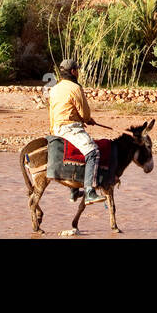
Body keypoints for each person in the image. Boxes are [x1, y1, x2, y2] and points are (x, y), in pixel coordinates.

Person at [48, 58, 108, 204]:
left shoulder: (54, 88)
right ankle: (89, 191)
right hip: (70, 128)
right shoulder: (75, 88)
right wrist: (87, 119)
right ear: (73, 72)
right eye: (77, 70)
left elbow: (53, 112)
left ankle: (74, 190)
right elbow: (85, 114)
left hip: (56, 127)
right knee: (93, 152)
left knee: (75, 152)